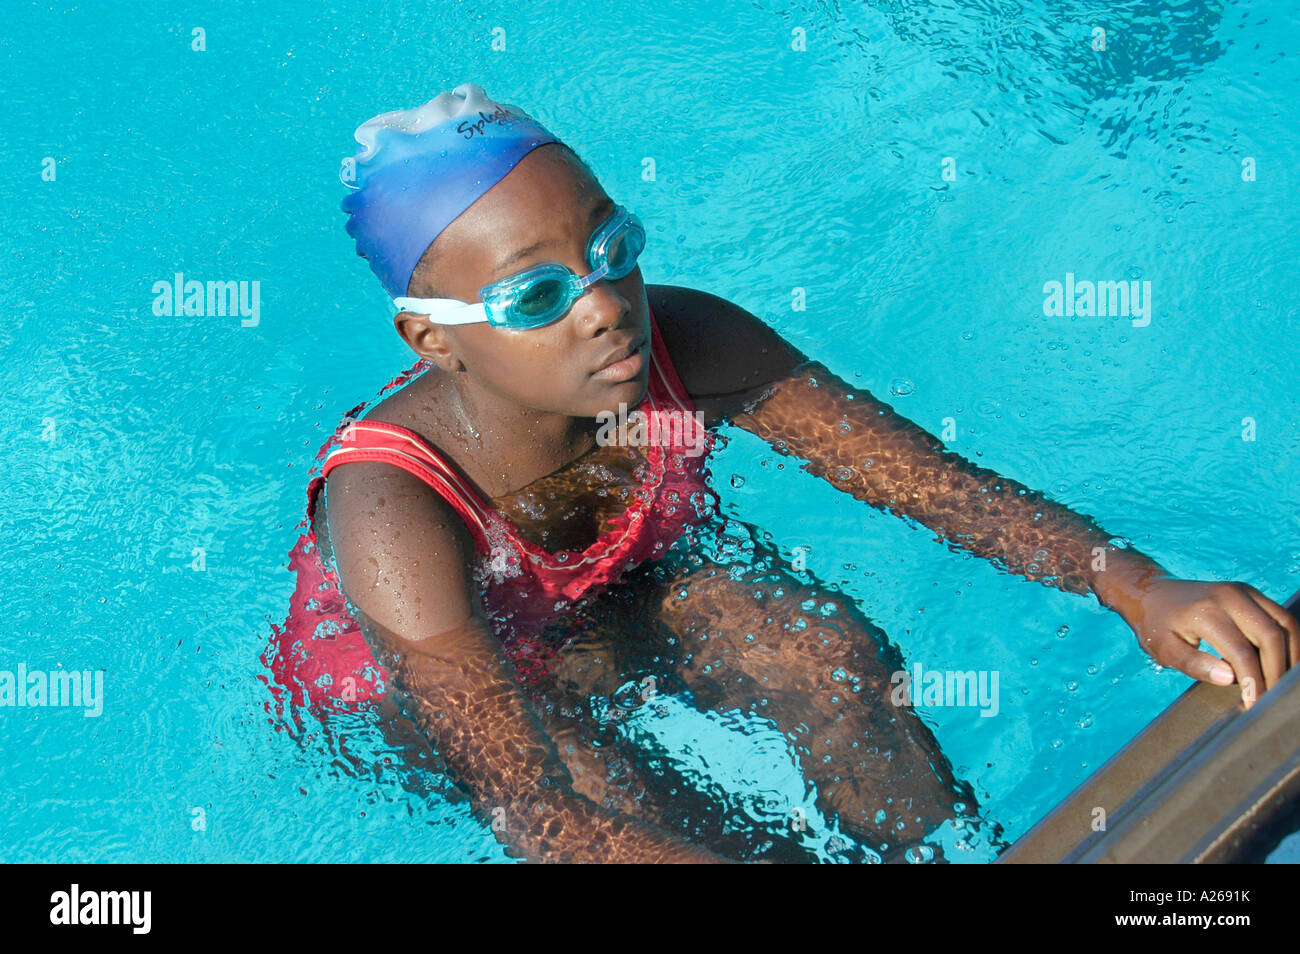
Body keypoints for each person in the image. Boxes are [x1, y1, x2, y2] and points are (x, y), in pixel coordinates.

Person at [266, 83, 1299, 864]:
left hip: (621, 593)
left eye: (610, 244)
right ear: (431, 339)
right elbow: (533, 809)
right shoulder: (391, 507)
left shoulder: (687, 342)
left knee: (825, 655)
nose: (602, 303)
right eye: (535, 297)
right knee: (638, 813)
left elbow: (935, 486)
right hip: (458, 684)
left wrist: (1133, 585)